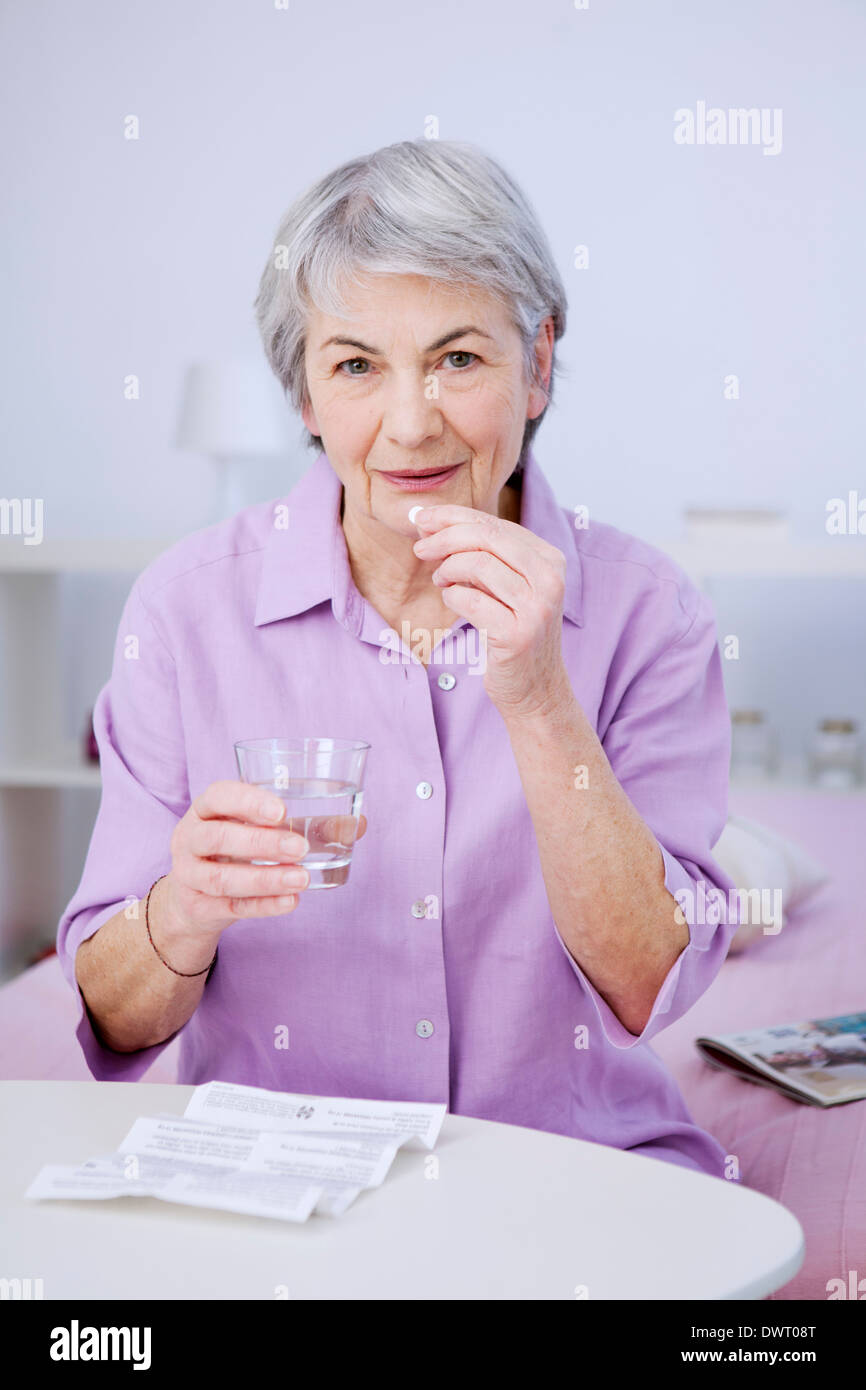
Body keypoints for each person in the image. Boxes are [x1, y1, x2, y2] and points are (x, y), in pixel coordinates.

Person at [59, 138, 740, 1177]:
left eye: (458, 359)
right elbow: (112, 1015)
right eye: (355, 366)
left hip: (571, 1174)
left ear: (537, 363)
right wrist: (181, 911)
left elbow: (649, 981)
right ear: (304, 394)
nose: (411, 425)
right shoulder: (185, 610)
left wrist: (539, 699)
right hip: (277, 1182)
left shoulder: (651, 614)